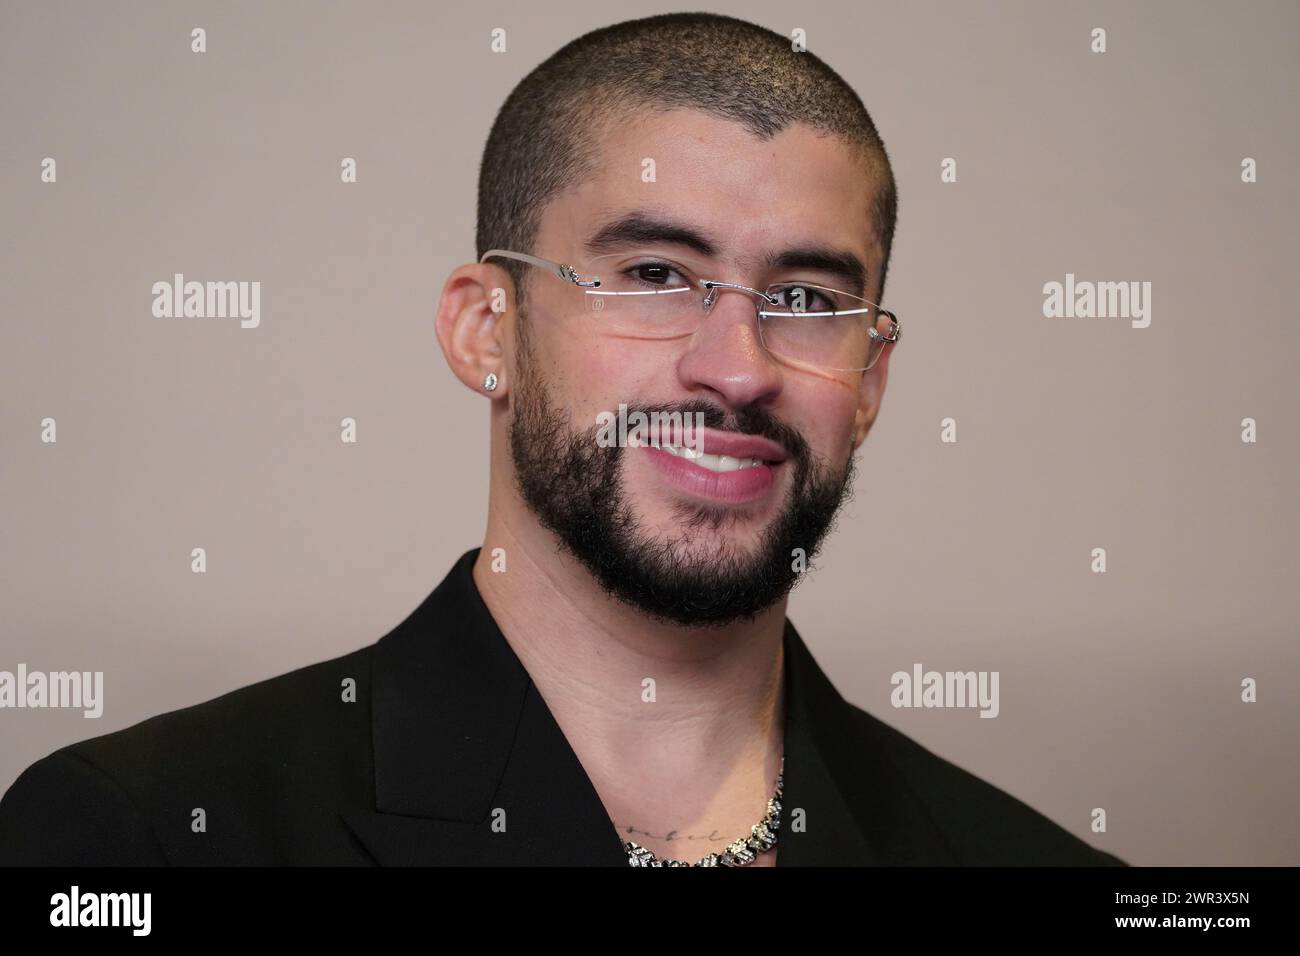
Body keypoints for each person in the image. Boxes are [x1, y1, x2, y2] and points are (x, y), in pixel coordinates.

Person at [0, 12, 1123, 867]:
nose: (735, 366)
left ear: (868, 380)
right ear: (487, 328)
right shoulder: (137, 836)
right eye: (652, 276)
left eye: (805, 297)